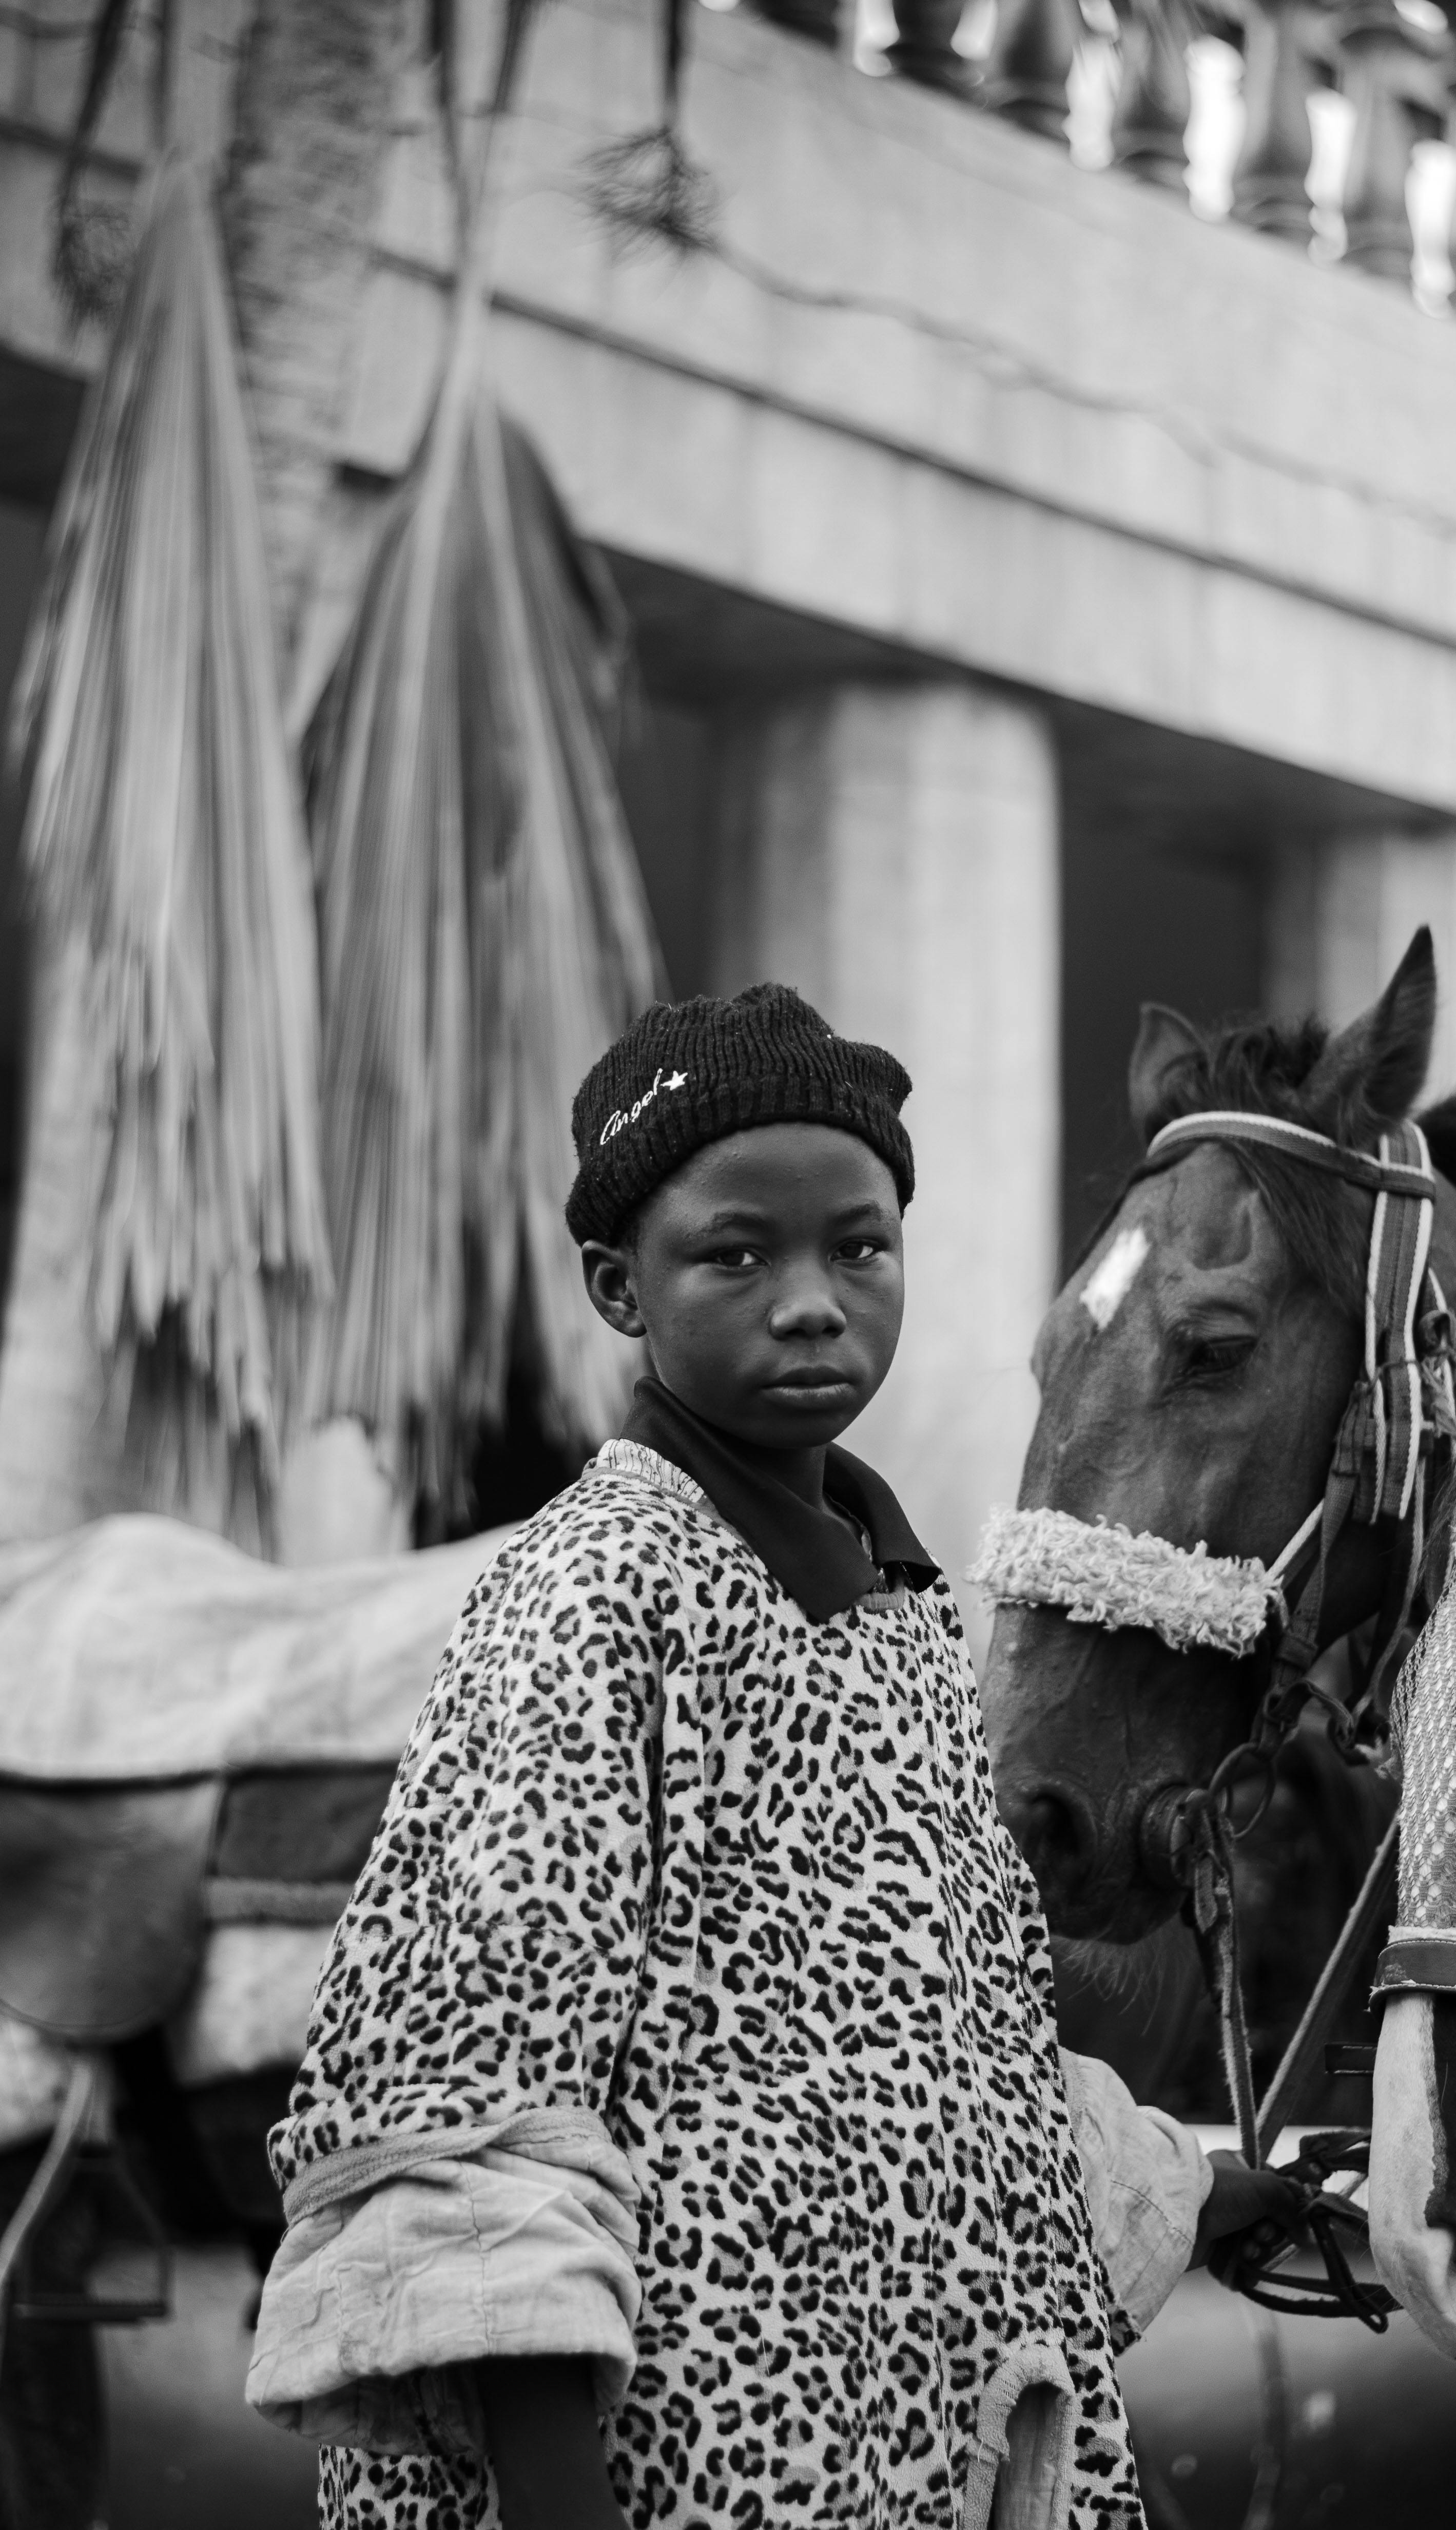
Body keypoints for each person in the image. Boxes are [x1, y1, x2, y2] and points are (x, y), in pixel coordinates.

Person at [247, 983, 1293, 2530]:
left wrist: (1195, 2190)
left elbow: (952, 2045)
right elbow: (464, 2092)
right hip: (672, 2475)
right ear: (620, 1286)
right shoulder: (594, 1592)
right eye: (737, 1253)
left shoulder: (897, 1608)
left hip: (903, 2451)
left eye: (860, 1247)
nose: (814, 1299)